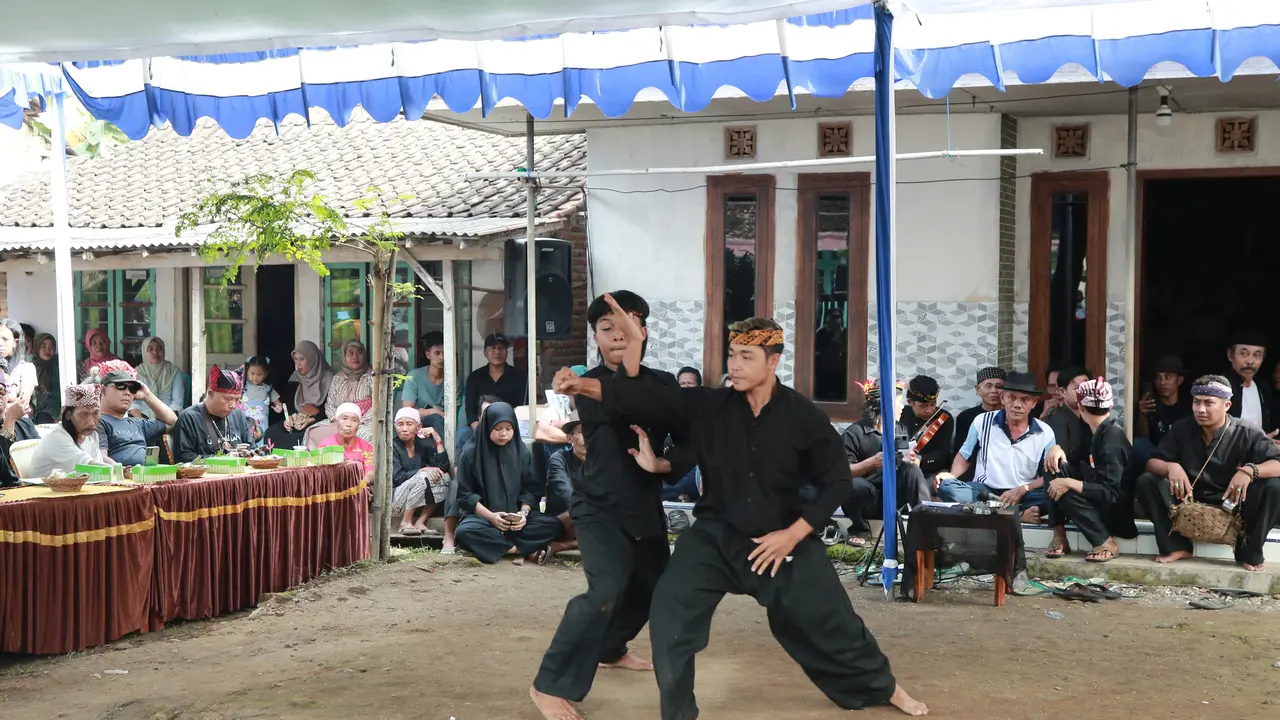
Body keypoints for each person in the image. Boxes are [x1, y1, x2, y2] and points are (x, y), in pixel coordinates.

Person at [553, 307, 927, 720]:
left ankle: (884, 686)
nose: (735, 364)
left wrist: (793, 534)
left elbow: (837, 482)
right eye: (732, 355)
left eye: (746, 356)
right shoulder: (710, 406)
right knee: (670, 613)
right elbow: (646, 397)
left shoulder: (803, 416)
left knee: (829, 619)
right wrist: (583, 384)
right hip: (714, 537)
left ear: (773, 361)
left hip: (780, 538)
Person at [529, 290, 690, 720]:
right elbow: (622, 400)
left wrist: (666, 463)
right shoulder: (588, 387)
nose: (618, 335)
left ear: (644, 331)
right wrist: (584, 381)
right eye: (607, 328)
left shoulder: (664, 383)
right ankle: (549, 684)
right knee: (606, 588)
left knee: (653, 585)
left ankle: (609, 647)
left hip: (644, 505)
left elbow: (685, 433)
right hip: (598, 506)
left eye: (628, 325)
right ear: (596, 338)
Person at [1136, 374, 1280, 572]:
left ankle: (1249, 552)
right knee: (1147, 481)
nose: (1200, 409)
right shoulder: (1182, 428)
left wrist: (1250, 471)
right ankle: (1176, 546)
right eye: (1196, 402)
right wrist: (1171, 467)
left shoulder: (1247, 432)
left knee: (1274, 487)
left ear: (1227, 405)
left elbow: (1277, 463)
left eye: (1208, 403)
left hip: (1234, 502)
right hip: (1189, 498)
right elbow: (1151, 462)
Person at [936, 371, 1057, 523]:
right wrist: (952, 476)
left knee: (1060, 493)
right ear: (1003, 398)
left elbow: (1048, 475)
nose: (1017, 405)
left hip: (1023, 494)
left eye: (1025, 399)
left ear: (1034, 402)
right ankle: (1016, 514)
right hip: (985, 491)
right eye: (1011, 397)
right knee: (947, 486)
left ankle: (994, 511)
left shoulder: (1045, 432)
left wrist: (1023, 489)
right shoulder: (982, 421)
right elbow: (965, 456)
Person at [454, 402, 564, 565]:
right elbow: (465, 495)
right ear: (487, 427)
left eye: (508, 428)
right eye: (498, 429)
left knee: (554, 525)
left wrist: (523, 515)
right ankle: (519, 549)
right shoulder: (471, 453)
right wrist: (491, 517)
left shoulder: (521, 451)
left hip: (517, 520)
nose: (504, 434)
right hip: (484, 519)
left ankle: (501, 546)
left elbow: (531, 489)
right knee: (464, 533)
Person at [1043, 377, 1130, 563]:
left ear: (1080, 406)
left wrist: (1069, 482)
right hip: (1099, 501)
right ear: (1110, 405)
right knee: (1053, 465)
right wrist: (1056, 449)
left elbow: (1110, 492)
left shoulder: (1112, 439)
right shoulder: (1094, 431)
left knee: (1063, 487)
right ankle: (1059, 535)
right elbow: (1074, 460)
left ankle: (1105, 542)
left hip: (1116, 513)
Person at [840, 379, 931, 547]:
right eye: (898, 402)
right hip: (868, 499)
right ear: (884, 406)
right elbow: (842, 472)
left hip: (894, 494)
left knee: (912, 471)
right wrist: (872, 462)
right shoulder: (854, 433)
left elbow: (906, 462)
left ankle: (925, 526)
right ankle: (859, 529)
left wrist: (912, 460)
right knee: (854, 485)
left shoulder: (900, 429)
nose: (902, 406)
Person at [94, 359, 178, 466]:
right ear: (103, 390)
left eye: (132, 389)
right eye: (120, 386)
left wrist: (147, 396)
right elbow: (100, 459)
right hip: (121, 475)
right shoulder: (97, 422)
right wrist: (122, 472)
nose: (127, 393)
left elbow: (173, 422)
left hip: (146, 473)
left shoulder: (137, 423)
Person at [459, 333, 527, 453]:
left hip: (509, 427)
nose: (497, 352)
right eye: (492, 348)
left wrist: (506, 429)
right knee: (462, 436)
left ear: (507, 352)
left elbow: (522, 406)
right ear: (485, 353)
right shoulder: (475, 377)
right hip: (480, 426)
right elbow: (470, 408)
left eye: (501, 348)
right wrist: (479, 429)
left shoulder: (519, 377)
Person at [27, 383, 112, 478]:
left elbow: (98, 472)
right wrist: (120, 470)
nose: (91, 423)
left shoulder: (92, 436)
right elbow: (90, 466)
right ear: (68, 415)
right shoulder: (58, 439)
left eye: (96, 413)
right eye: (84, 414)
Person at [391, 406, 451, 538]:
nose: (404, 428)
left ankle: (420, 522)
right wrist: (421, 470)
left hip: (420, 500)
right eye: (400, 424)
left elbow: (443, 466)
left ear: (418, 427)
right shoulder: (392, 447)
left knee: (444, 477)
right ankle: (405, 522)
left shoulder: (424, 444)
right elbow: (397, 477)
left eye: (409, 424)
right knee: (423, 476)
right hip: (397, 500)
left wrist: (436, 437)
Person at [173, 366, 255, 462]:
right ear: (210, 394)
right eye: (228, 399)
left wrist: (252, 453)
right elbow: (184, 457)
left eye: (237, 399)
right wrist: (222, 459)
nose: (233, 405)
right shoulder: (189, 418)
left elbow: (251, 447)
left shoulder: (238, 415)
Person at [264, 340, 334, 448]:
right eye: (295, 359)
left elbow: (331, 408)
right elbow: (290, 404)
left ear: (312, 359)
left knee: (297, 438)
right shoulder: (296, 377)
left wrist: (313, 417)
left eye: (302, 359)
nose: (298, 364)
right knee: (271, 433)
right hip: (297, 420)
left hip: (318, 420)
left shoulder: (329, 378)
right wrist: (290, 419)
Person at [312, 340, 374, 443]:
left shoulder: (371, 376)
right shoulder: (337, 378)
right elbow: (330, 404)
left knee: (365, 434)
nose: (355, 357)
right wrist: (335, 419)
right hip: (339, 421)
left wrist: (360, 420)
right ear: (344, 356)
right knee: (313, 432)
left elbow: (378, 404)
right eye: (350, 353)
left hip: (365, 421)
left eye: (359, 353)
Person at [898, 374, 954, 480]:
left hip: (931, 472)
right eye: (923, 406)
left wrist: (920, 459)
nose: (929, 410)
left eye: (933, 404)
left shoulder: (944, 418)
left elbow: (942, 454)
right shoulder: (901, 414)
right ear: (910, 402)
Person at [951, 366, 1005, 473]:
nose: (994, 391)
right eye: (988, 386)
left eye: (999, 386)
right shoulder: (966, 417)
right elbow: (963, 454)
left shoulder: (1012, 416)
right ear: (977, 389)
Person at [1043, 366, 1093, 479]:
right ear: (1062, 392)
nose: (1083, 392)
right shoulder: (1058, 422)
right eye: (1077, 388)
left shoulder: (1090, 418)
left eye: (1086, 387)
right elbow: (1059, 466)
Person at [1136, 354, 1191, 451]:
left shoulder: (1189, 407)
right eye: (1158, 378)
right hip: (1155, 453)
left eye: (1168, 377)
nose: (1162, 383)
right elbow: (1144, 439)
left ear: (1179, 380)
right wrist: (1142, 416)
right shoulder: (1150, 405)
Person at [401, 331, 449, 438]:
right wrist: (434, 411)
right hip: (418, 424)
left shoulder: (454, 380)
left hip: (445, 425)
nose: (442, 357)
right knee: (435, 418)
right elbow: (406, 411)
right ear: (428, 355)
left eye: (445, 353)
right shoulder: (414, 377)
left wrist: (425, 411)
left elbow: (454, 414)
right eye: (437, 353)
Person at [1225, 330, 1272, 433]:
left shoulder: (1263, 388)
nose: (1250, 361)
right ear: (1230, 355)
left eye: (1257, 355)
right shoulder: (1219, 388)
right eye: (1244, 354)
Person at [0, 370, 40, 486]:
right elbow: (6, 468)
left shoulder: (23, 423)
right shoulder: (13, 417)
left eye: (1, 390)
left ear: (7, 395)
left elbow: (41, 455)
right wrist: (10, 419)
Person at [133, 336, 186, 417]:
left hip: (167, 416)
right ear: (144, 351)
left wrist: (165, 420)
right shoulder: (137, 372)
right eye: (150, 349)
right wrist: (140, 420)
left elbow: (177, 402)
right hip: (141, 417)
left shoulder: (173, 372)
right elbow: (133, 402)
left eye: (159, 349)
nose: (155, 352)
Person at [318, 402, 374, 476]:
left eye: (354, 420)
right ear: (336, 422)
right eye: (344, 418)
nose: (348, 424)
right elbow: (321, 474)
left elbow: (370, 473)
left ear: (358, 425)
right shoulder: (325, 446)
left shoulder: (367, 448)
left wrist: (363, 481)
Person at [544, 419, 584, 517]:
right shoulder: (559, 459)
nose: (588, 437)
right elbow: (564, 492)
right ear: (569, 438)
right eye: (582, 432)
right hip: (562, 516)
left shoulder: (604, 460)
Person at [241, 356, 284, 445]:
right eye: (252, 373)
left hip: (262, 427)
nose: (255, 377)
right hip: (244, 425)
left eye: (259, 374)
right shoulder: (242, 388)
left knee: (261, 447)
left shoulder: (269, 389)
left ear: (265, 374)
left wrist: (279, 408)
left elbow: (279, 404)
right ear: (247, 371)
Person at [0, 318, 37, 411]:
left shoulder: (26, 368)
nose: (0, 343)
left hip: (16, 419)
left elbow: (22, 404)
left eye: (5, 339)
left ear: (15, 342)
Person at [29, 333, 60, 424]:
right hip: (38, 410)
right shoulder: (31, 367)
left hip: (58, 409)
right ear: (37, 348)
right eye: (43, 346)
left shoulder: (59, 365)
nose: (48, 350)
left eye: (51, 347)